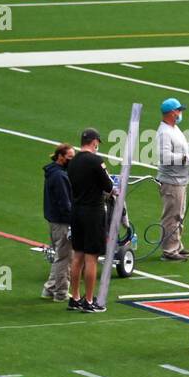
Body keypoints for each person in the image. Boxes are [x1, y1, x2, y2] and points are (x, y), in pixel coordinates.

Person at [66, 128, 113, 313]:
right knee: (91, 257)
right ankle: (89, 300)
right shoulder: (95, 161)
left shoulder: (74, 161)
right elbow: (108, 185)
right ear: (94, 142)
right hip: (93, 211)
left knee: (77, 255)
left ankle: (75, 297)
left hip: (76, 210)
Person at [154, 97, 189, 262]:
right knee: (171, 215)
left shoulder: (174, 128)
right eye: (178, 110)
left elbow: (179, 149)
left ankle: (176, 245)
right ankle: (169, 250)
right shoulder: (164, 132)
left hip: (180, 179)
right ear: (172, 113)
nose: (180, 113)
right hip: (171, 181)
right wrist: (184, 159)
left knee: (179, 214)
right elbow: (164, 156)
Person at [41, 143, 74, 302]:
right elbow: (65, 203)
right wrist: (73, 220)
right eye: (70, 157)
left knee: (60, 256)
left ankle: (49, 289)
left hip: (54, 221)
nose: (72, 160)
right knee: (64, 258)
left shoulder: (53, 172)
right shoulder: (60, 176)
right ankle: (61, 293)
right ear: (61, 157)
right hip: (62, 223)